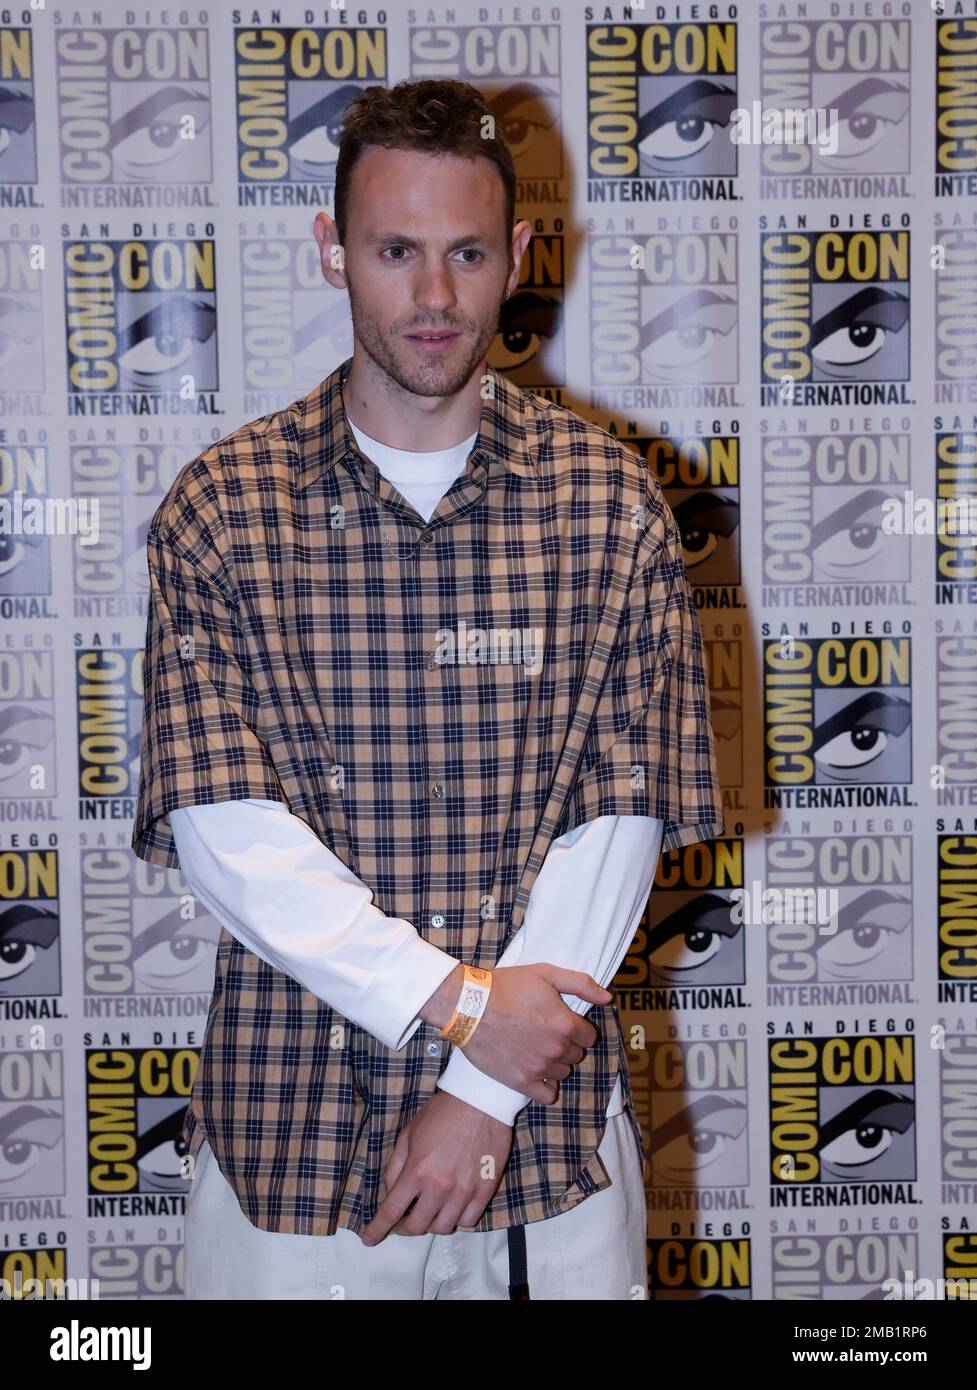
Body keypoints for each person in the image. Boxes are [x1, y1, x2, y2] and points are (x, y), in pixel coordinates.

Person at [131, 78, 724, 1300]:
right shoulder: (221, 509)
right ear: (332, 250)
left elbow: (617, 821)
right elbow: (224, 830)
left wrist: (482, 1090)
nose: (436, 296)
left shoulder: (608, 503)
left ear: (517, 254)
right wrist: (461, 1009)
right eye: (395, 251)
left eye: (466, 252)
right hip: (290, 1138)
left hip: (547, 1145)